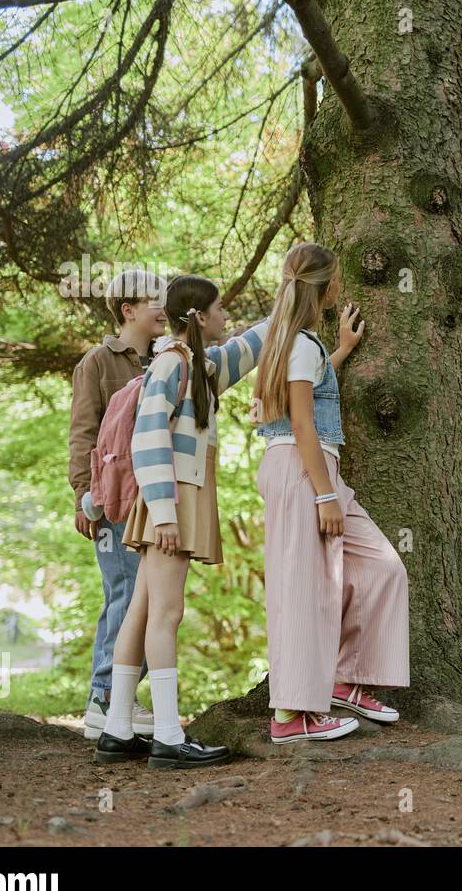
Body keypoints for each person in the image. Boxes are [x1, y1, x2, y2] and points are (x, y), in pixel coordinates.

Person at [93, 275, 269, 768]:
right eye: (219, 308)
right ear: (199, 316)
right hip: (170, 499)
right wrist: (166, 514)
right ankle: (170, 736)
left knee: (142, 610)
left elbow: (247, 347)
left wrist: (294, 298)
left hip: (170, 499)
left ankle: (117, 729)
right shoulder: (173, 363)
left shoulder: (198, 364)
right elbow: (147, 437)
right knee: (167, 613)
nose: (226, 316)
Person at [252, 242, 409, 744]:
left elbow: (311, 396)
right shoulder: (297, 343)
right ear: (326, 285)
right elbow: (301, 422)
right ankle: (289, 716)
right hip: (303, 471)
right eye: (337, 276)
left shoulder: (302, 345)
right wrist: (324, 496)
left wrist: (340, 349)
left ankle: (344, 680)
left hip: (317, 470)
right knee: (304, 592)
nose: (341, 283)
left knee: (382, 567)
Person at [68, 269, 167, 739]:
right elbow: (83, 433)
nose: (163, 307)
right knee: (124, 595)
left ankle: (122, 699)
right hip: (113, 503)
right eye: (155, 299)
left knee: (151, 599)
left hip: (157, 499)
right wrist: (81, 496)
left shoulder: (167, 360)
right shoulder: (98, 362)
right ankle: (104, 697)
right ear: (128, 310)